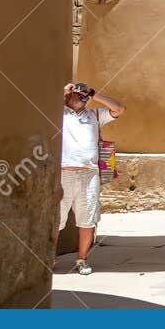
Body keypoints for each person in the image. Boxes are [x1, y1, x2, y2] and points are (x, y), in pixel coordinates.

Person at [60, 81, 124, 275]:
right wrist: (63, 92)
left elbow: (119, 109)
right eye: (78, 94)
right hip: (64, 173)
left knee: (87, 220)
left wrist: (95, 94)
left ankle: (82, 259)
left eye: (84, 95)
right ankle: (48, 259)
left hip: (89, 174)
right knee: (56, 220)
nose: (82, 97)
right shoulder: (58, 113)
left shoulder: (94, 115)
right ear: (69, 96)